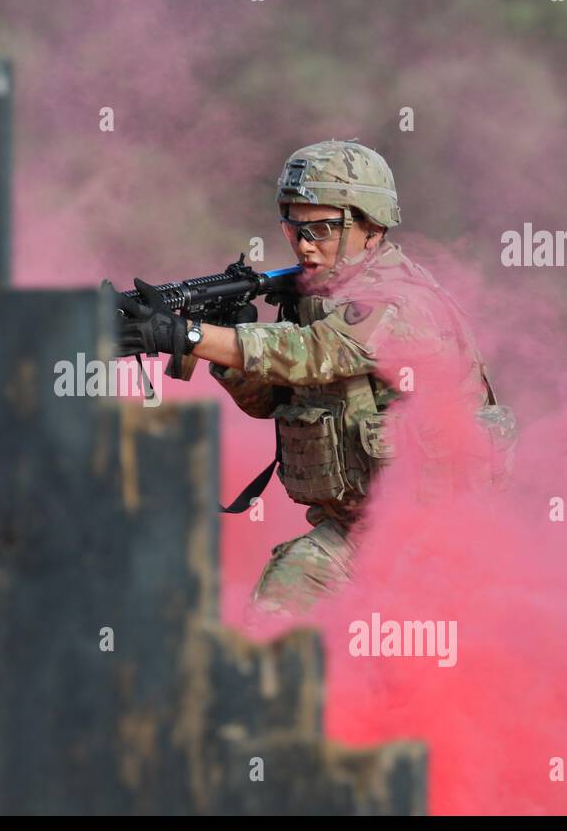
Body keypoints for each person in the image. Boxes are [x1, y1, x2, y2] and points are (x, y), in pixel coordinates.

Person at [113, 139, 515, 615]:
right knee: (280, 620)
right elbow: (272, 400)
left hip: (433, 536)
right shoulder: (322, 296)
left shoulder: (401, 302)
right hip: (360, 530)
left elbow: (315, 352)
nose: (304, 245)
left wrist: (189, 334)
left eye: (321, 228)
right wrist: (223, 344)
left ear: (371, 226)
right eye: (293, 227)